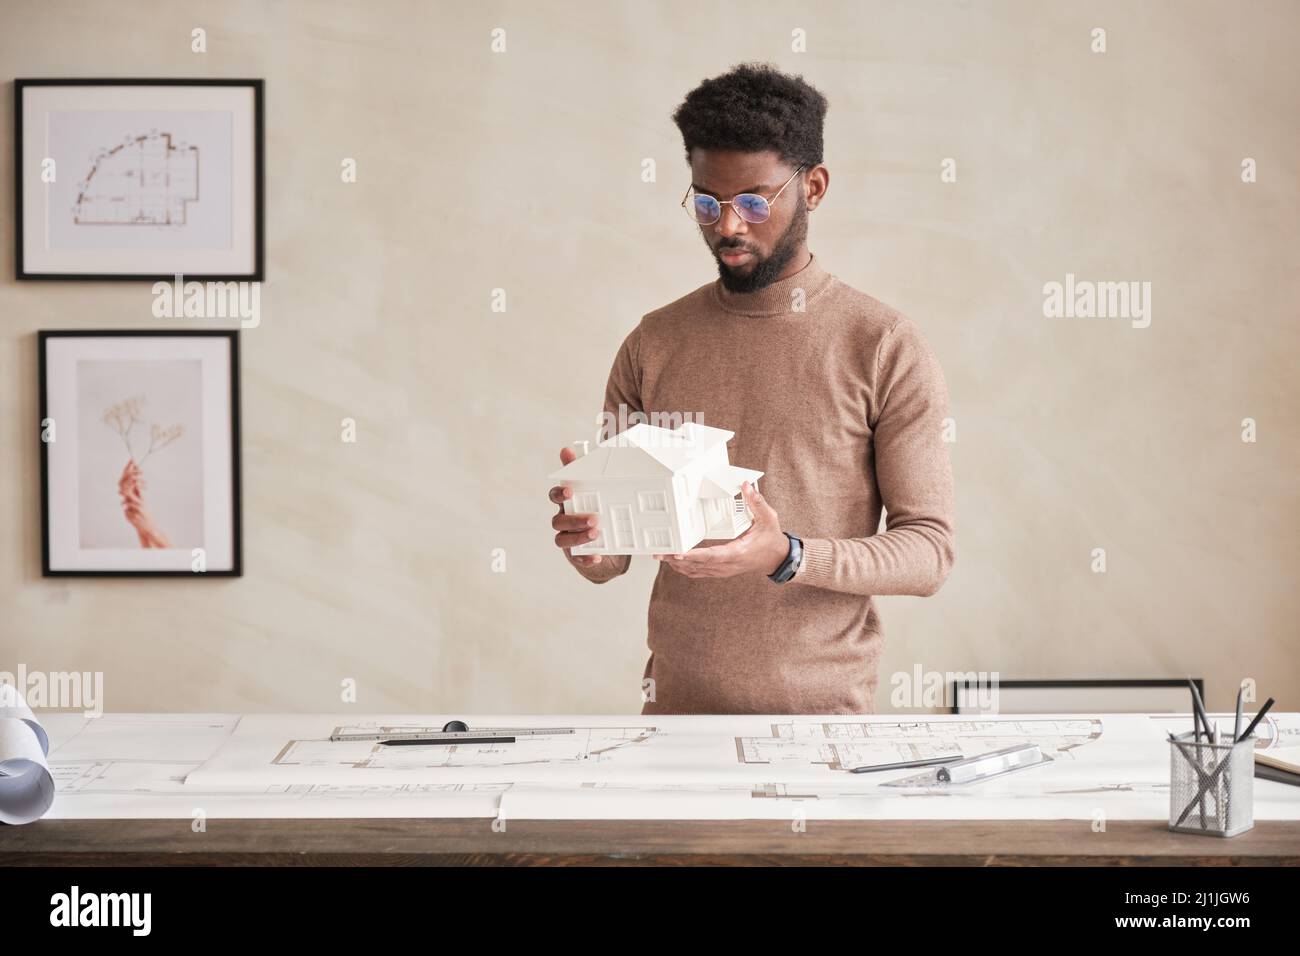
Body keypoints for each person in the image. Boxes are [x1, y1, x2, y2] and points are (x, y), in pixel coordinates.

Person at [548, 63, 955, 714]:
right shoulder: (654, 342)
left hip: (825, 735)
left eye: (754, 203)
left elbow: (929, 553)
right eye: (707, 203)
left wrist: (787, 555)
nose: (728, 227)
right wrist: (587, 535)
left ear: (814, 187)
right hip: (672, 726)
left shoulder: (881, 345)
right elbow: (613, 560)